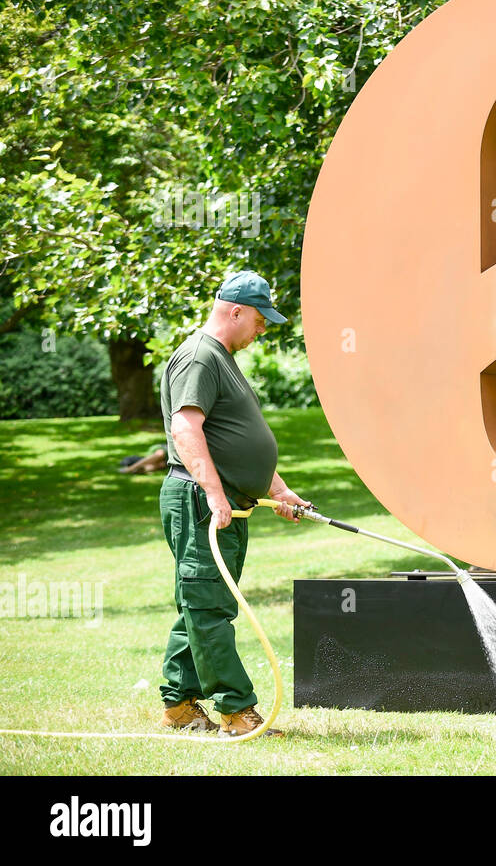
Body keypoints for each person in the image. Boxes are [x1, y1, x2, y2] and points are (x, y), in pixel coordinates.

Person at [157, 270, 312, 736]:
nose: (263, 327)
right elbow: (187, 428)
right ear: (236, 310)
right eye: (260, 318)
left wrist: (277, 489)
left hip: (219, 501)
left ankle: (180, 706)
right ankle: (235, 711)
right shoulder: (200, 358)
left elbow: (234, 438)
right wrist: (214, 492)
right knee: (207, 606)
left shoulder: (220, 359)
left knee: (203, 604)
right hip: (199, 501)